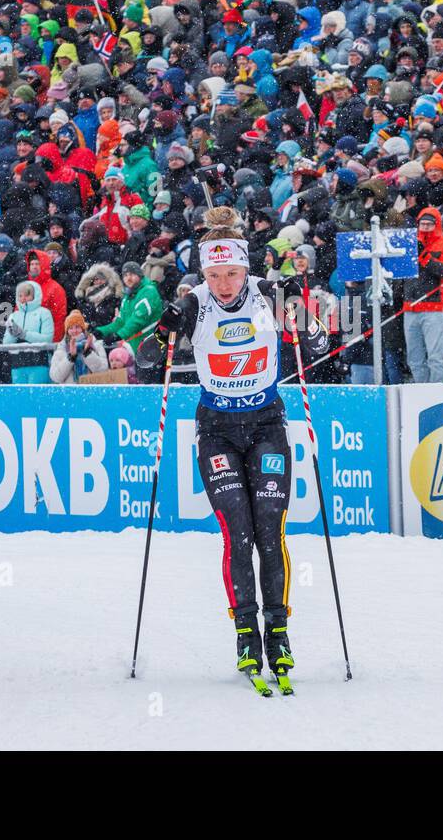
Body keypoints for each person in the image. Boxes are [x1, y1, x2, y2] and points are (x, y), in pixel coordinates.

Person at [139, 213, 327, 689]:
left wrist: (301, 314)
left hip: (266, 426)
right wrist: (162, 331)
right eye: (214, 275)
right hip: (218, 430)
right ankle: (246, 633)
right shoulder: (193, 304)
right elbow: (146, 360)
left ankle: (277, 632)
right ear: (204, 273)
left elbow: (320, 342)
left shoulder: (268, 294)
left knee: (270, 533)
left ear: (246, 269)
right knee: (237, 533)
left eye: (231, 273)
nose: (223, 285)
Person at [403, 207, 443, 383]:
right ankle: (422, 392)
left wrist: (425, 257)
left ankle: (437, 394)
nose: (425, 227)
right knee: (414, 360)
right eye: (422, 224)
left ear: (437, 225)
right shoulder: (410, 243)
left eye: (429, 224)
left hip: (435, 308)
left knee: (435, 359)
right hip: (410, 307)